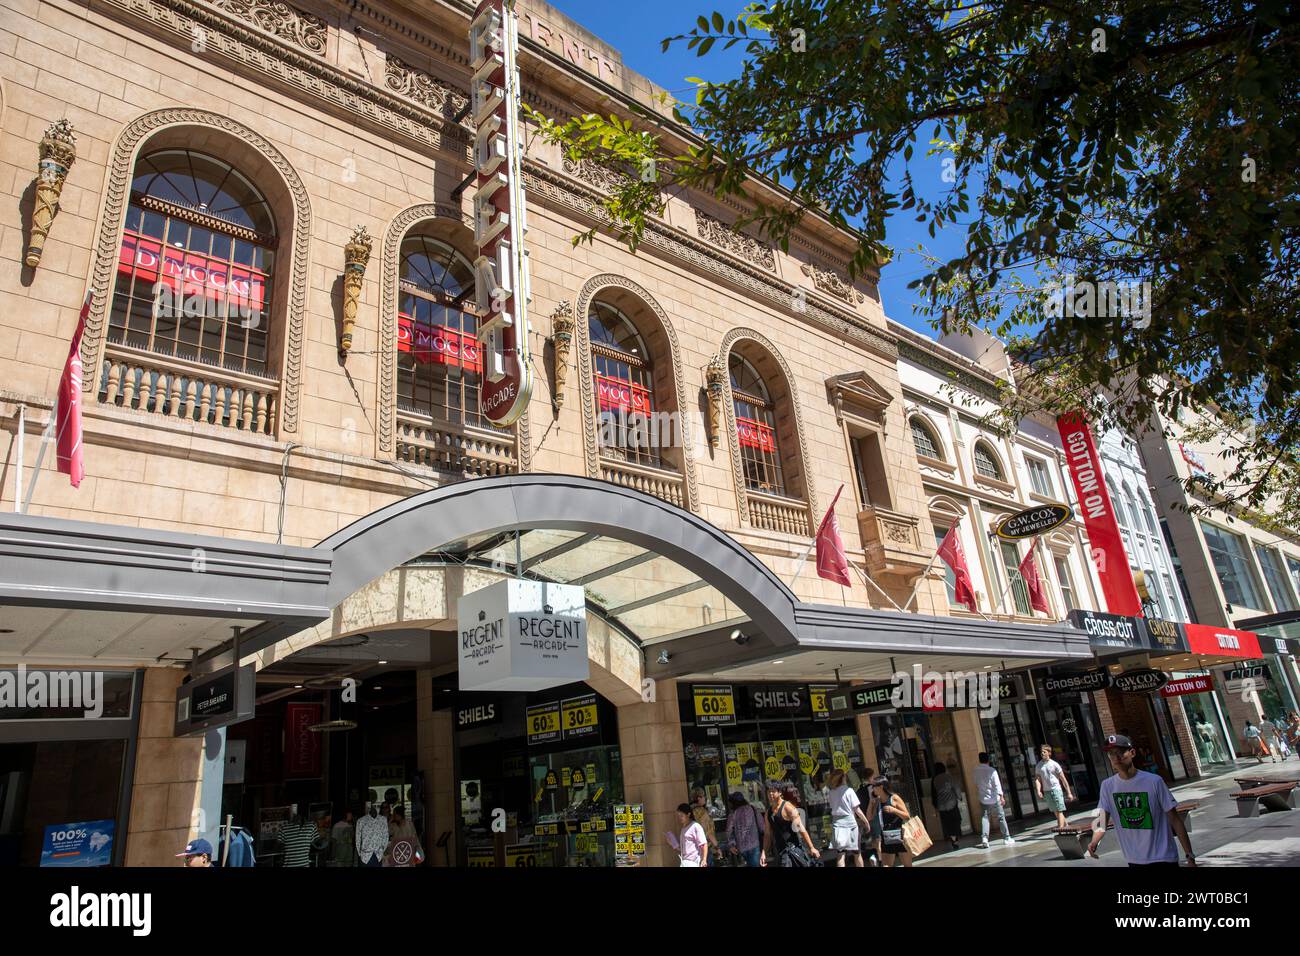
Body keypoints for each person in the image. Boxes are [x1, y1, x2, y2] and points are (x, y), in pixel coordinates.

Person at [1087, 734, 1195, 867]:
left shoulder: (1154, 781)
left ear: (1132, 753)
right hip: (1134, 859)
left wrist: (1190, 856)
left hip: (1163, 857)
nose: (1116, 758)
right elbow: (1101, 822)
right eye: (1111, 754)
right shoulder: (1107, 786)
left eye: (1120, 752)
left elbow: (1175, 820)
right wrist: (1094, 842)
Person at [762, 782, 821, 866]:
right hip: (780, 852)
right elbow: (767, 834)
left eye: (773, 791)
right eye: (769, 792)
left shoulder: (788, 808)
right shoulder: (768, 813)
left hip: (793, 850)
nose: (770, 794)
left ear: (780, 792)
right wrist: (764, 852)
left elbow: (801, 828)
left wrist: (811, 848)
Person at [828, 768, 871, 866]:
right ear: (843, 778)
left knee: (840, 854)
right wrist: (866, 822)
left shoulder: (831, 792)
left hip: (837, 823)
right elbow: (857, 810)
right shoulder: (849, 791)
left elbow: (832, 807)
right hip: (850, 823)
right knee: (857, 852)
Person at [867, 777, 912, 867]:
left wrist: (894, 810)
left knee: (907, 865)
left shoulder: (894, 798)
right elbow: (869, 817)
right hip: (886, 836)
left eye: (874, 786)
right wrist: (870, 802)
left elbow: (907, 816)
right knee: (886, 865)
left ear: (881, 787)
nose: (872, 788)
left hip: (899, 835)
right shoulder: (877, 801)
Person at [973, 752, 1014, 848]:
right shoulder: (992, 770)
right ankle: (1007, 837)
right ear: (988, 760)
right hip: (995, 798)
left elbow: (975, 782)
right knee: (1001, 817)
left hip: (983, 798)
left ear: (979, 760)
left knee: (985, 817)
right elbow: (997, 784)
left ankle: (985, 838)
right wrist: (1001, 796)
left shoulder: (975, 770)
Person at [1034, 744, 1075, 829]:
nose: (1042, 753)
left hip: (1056, 789)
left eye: (1044, 752)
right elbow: (1038, 779)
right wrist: (1038, 791)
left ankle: (1060, 828)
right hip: (1047, 791)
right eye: (1041, 752)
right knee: (1055, 811)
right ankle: (1066, 826)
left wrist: (1069, 793)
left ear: (1049, 753)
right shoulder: (1038, 766)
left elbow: (1063, 779)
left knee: (1059, 810)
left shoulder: (1054, 764)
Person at [724, 791, 766, 867]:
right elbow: (762, 826)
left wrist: (731, 845)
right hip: (754, 844)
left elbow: (728, 831)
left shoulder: (733, 814)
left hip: (741, 847)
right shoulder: (753, 809)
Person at [930, 761, 963, 850]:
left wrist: (936, 806)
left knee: (947, 823)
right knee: (956, 820)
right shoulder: (949, 777)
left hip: (941, 806)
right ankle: (955, 838)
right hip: (951, 803)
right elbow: (956, 787)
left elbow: (933, 794)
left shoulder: (934, 780)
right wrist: (960, 797)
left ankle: (953, 838)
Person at [666, 802, 710, 867]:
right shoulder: (683, 829)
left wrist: (704, 859)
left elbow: (704, 844)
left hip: (694, 863)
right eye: (679, 816)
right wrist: (673, 844)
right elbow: (685, 849)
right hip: (685, 863)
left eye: (681, 815)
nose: (680, 818)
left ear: (688, 814)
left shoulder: (695, 826)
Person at [690, 787, 724, 865]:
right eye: (704, 796)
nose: (705, 798)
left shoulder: (690, 812)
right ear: (699, 798)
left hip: (694, 849)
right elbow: (708, 833)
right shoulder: (702, 812)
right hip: (705, 849)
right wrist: (717, 848)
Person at [355, 803, 389, 867]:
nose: (375, 809)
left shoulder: (383, 820)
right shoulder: (361, 821)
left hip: (378, 855)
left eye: (377, 807)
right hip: (365, 856)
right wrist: (360, 854)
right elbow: (358, 839)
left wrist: (382, 850)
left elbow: (386, 836)